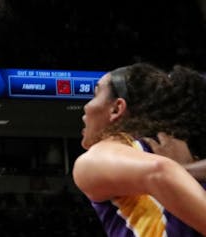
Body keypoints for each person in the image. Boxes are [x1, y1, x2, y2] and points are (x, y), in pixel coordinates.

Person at [72, 63, 206, 236]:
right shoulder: (181, 155)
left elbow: (160, 171)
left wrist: (182, 169)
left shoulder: (97, 156)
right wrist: (187, 170)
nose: (85, 107)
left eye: (95, 94)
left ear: (117, 108)